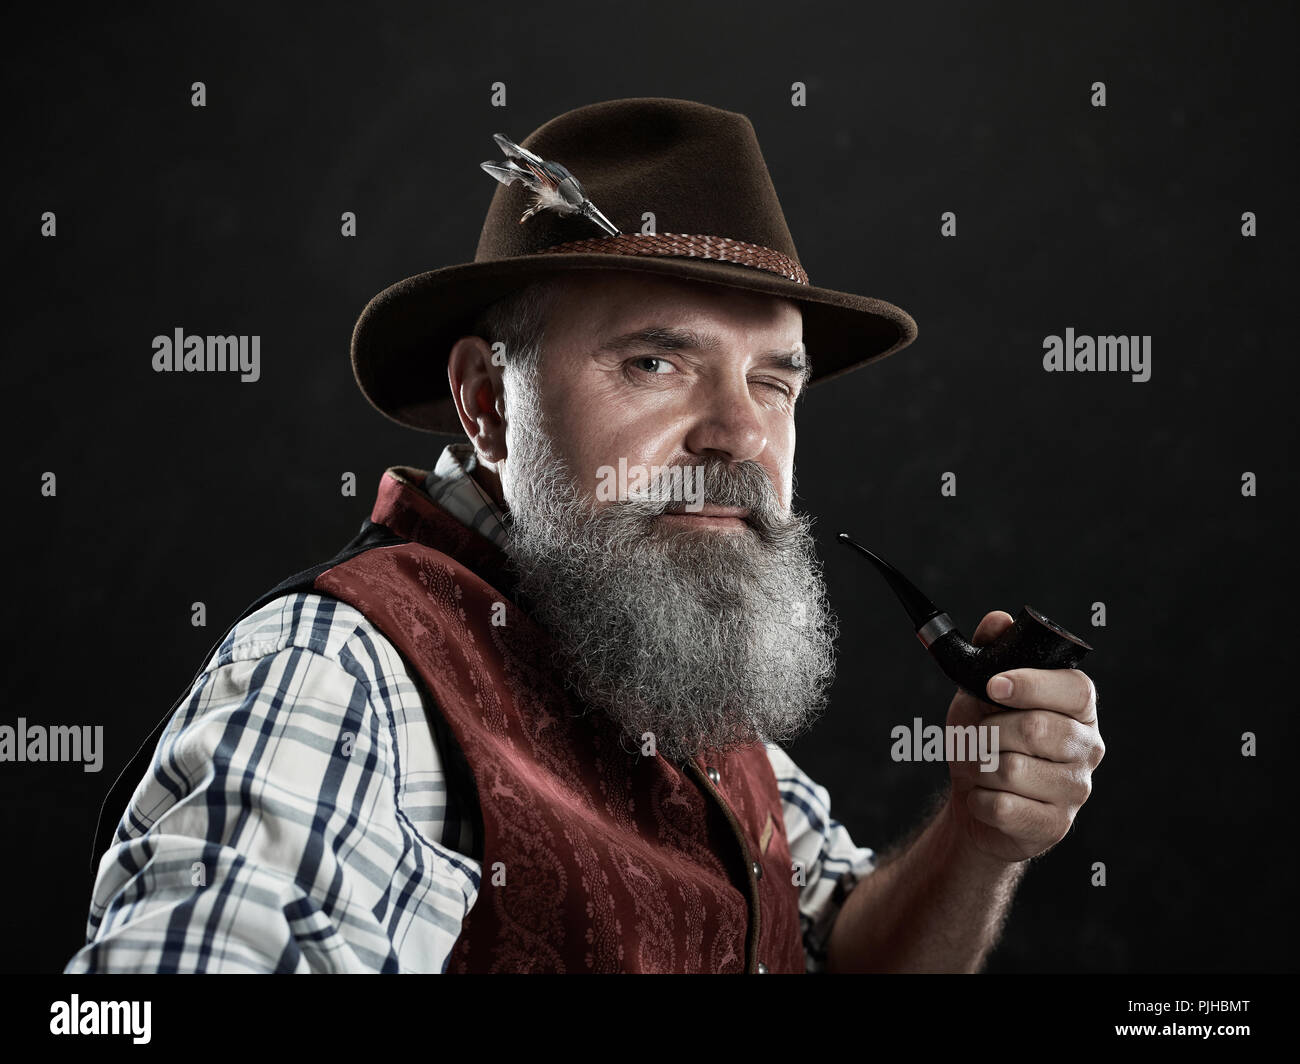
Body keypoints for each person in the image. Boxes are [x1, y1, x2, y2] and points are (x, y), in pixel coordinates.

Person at [66, 97, 1103, 974]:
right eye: (655, 361)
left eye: (774, 378)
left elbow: (830, 947)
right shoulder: (340, 680)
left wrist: (975, 836)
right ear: (485, 405)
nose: (740, 432)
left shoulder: (661, 649)